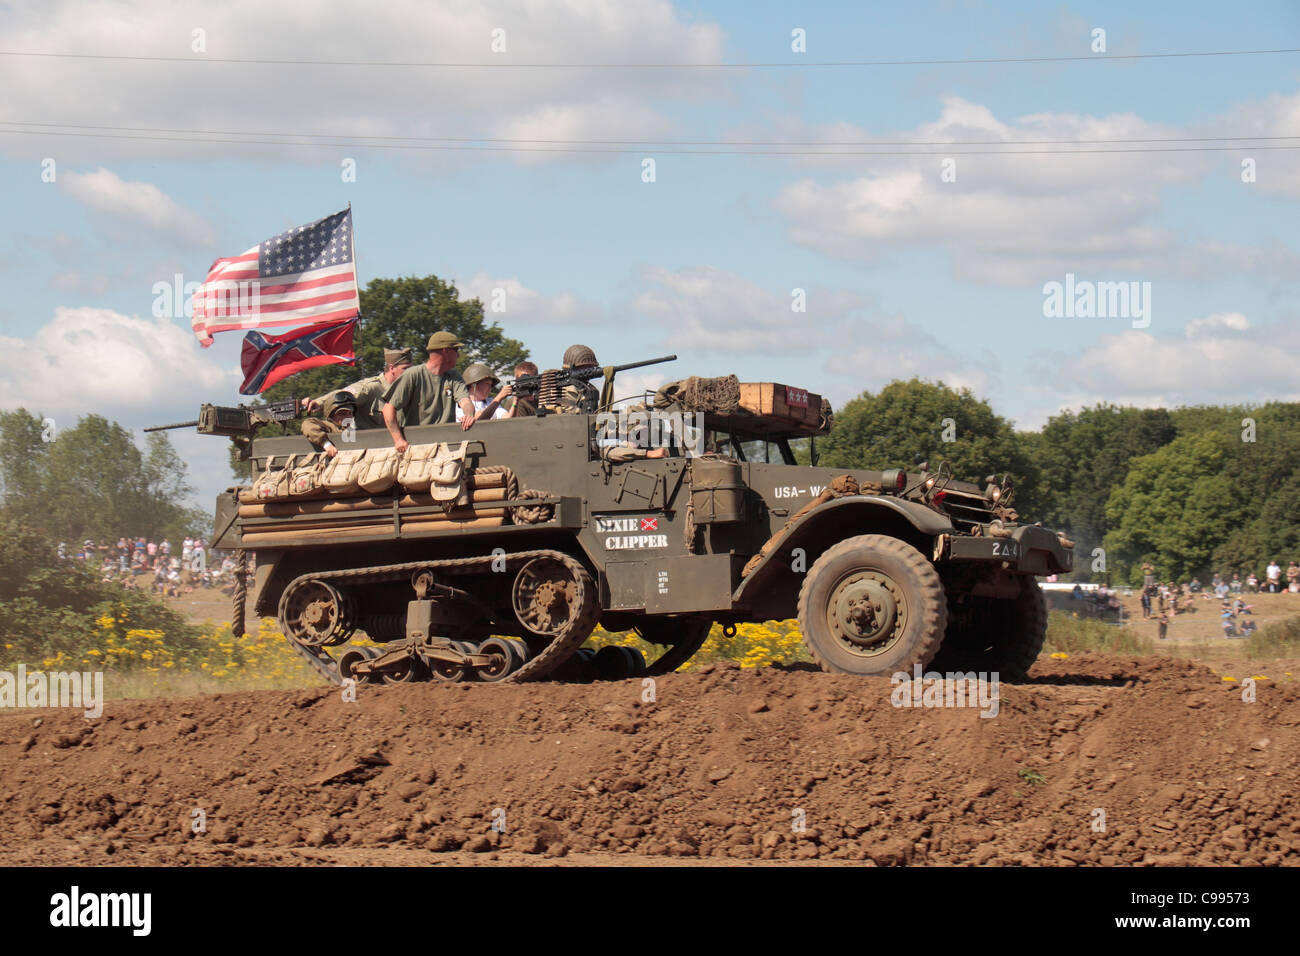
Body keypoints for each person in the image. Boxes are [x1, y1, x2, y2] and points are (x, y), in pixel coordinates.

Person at [554, 344, 666, 462]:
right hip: (578, 441)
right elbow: (577, 420)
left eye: (591, 367)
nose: (591, 371)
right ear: (574, 368)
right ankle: (647, 454)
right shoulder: (566, 389)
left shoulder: (583, 388)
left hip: (592, 434)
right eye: (586, 368)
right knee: (608, 450)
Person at [382, 331, 476, 452]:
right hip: (416, 447)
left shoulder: (453, 376)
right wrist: (398, 439)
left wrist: (469, 414)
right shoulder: (413, 375)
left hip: (445, 445)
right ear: (445, 351)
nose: (458, 356)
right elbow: (388, 408)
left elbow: (465, 401)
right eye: (456, 350)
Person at [303, 347, 414, 429]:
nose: (410, 373)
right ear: (391, 368)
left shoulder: (408, 390)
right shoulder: (371, 388)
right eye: (405, 369)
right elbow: (343, 396)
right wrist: (318, 403)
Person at [301, 391, 357, 458]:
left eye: (350, 413)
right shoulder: (327, 426)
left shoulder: (354, 429)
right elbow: (308, 425)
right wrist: (326, 444)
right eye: (343, 413)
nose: (348, 417)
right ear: (331, 414)